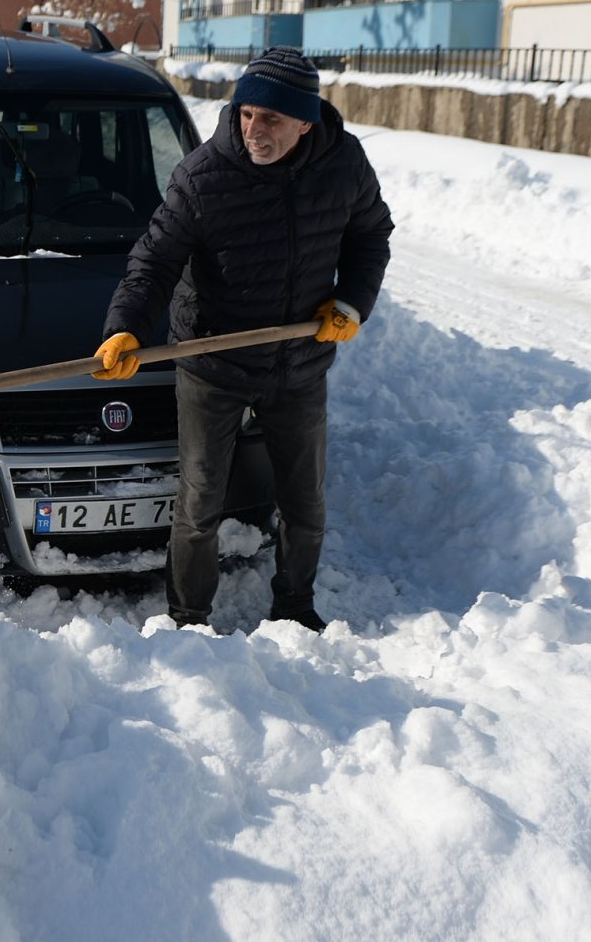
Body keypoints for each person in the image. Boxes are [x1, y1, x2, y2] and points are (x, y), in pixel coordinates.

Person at [93, 46, 392, 632]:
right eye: (247, 113)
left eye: (272, 119)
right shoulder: (203, 177)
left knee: (304, 503)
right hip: (213, 362)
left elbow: (370, 234)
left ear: (306, 121)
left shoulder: (344, 164)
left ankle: (295, 607)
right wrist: (125, 327)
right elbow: (153, 261)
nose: (254, 129)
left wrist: (352, 301)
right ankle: (188, 618)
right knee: (200, 503)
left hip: (299, 361)